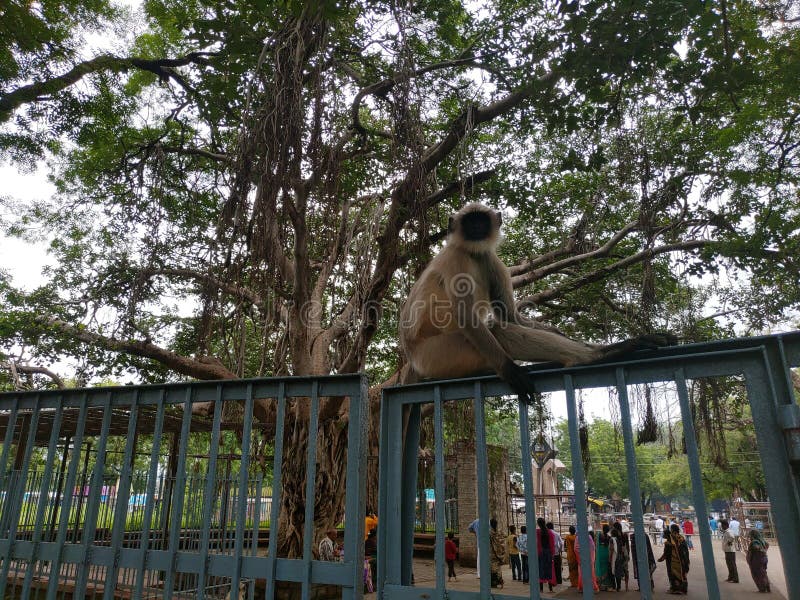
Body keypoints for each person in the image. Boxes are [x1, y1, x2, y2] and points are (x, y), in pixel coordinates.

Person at [658, 524, 690, 594]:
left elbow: (667, 550)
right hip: (682, 560)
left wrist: (662, 558)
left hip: (672, 560)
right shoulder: (681, 537)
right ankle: (683, 589)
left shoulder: (670, 537)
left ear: (672, 530)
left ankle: (674, 588)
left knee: (672, 574)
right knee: (682, 573)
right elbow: (685, 550)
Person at [575, 527, 599, 592]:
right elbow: (593, 548)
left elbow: (575, 549)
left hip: (581, 559)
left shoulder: (577, 538)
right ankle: (593, 587)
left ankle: (581, 588)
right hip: (589, 559)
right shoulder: (589, 537)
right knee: (591, 573)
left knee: (581, 573)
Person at [536, 517, 556, 592]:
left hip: (540, 552)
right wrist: (552, 553)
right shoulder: (549, 532)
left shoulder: (537, 532)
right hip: (548, 552)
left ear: (538, 524)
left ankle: (541, 589)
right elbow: (552, 544)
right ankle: (550, 588)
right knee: (549, 569)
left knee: (541, 569)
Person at [612, 522, 630, 591]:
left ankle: (618, 587)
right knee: (626, 570)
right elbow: (627, 546)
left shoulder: (614, 535)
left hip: (618, 555)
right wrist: (628, 554)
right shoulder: (624, 535)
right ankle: (626, 586)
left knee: (617, 570)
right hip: (624, 554)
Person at [489, 518, 506, 588]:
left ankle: (494, 583)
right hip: (498, 553)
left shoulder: (490, 533)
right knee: (498, 568)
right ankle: (500, 581)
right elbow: (502, 540)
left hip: (492, 553)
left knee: (493, 568)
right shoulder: (498, 533)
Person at [721, 518, 739, 584]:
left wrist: (729, 542)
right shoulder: (727, 531)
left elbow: (732, 537)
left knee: (732, 565)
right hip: (728, 550)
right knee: (729, 565)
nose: (722, 527)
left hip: (730, 551)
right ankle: (731, 577)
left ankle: (735, 578)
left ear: (725, 525)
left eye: (722, 525)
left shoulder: (729, 531)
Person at [595, 524, 612, 590]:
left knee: (600, 568)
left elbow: (596, 544)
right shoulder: (609, 536)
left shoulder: (599, 535)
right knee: (606, 568)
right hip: (606, 553)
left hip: (600, 553)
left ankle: (600, 584)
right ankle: (606, 584)